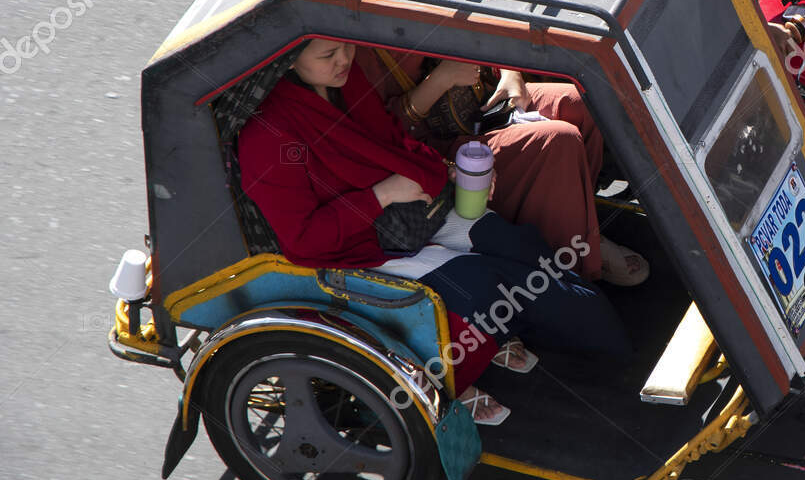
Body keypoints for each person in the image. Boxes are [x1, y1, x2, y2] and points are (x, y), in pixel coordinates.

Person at [238, 39, 632, 425]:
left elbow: (392, 139)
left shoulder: (346, 79)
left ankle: (522, 329)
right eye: (327, 55)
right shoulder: (266, 138)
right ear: (287, 61)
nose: (344, 59)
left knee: (521, 248)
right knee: (485, 286)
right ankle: (451, 382)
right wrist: (381, 194)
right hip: (361, 248)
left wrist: (442, 169)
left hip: (411, 211)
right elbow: (304, 239)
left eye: (344, 47)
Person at [353, 48, 648, 286]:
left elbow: (487, 36)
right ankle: (571, 262)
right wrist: (440, 80)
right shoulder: (363, 45)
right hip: (432, 149)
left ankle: (584, 226)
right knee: (558, 139)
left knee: (581, 102)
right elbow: (385, 135)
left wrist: (509, 73)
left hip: (485, 105)